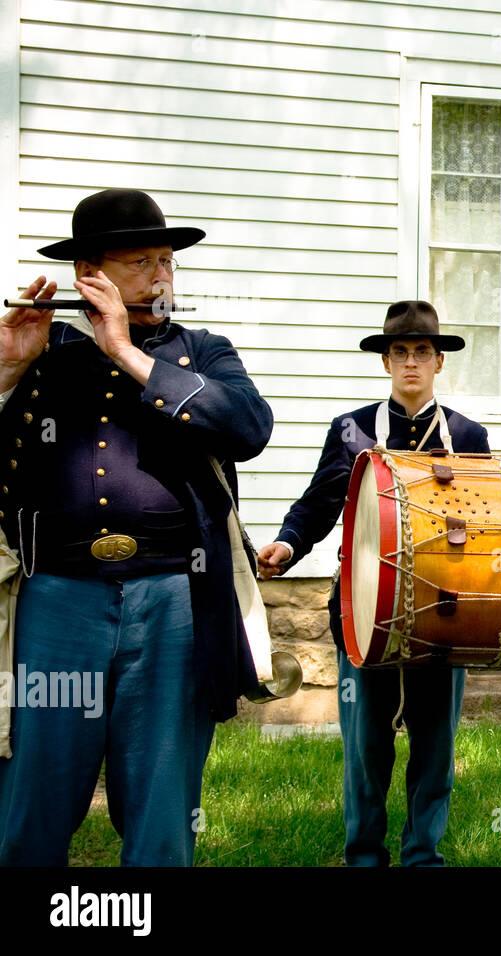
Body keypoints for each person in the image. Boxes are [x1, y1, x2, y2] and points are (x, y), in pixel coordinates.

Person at [0, 188, 273, 865]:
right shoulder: (44, 354)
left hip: (175, 598)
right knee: (36, 788)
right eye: (142, 262)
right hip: (58, 598)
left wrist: (125, 350)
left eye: (167, 261)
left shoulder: (204, 352)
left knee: (161, 796)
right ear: (90, 274)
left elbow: (248, 428)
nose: (162, 277)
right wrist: (6, 366)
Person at [258, 300, 486, 866]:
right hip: (361, 609)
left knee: (435, 744)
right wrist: (286, 545)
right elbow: (318, 502)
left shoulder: (468, 434)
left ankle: (422, 854)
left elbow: (486, 523)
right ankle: (363, 854)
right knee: (366, 744)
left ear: (439, 362)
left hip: (443, 608)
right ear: (386, 361)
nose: (412, 362)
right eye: (400, 352)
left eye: (422, 352)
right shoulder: (351, 429)